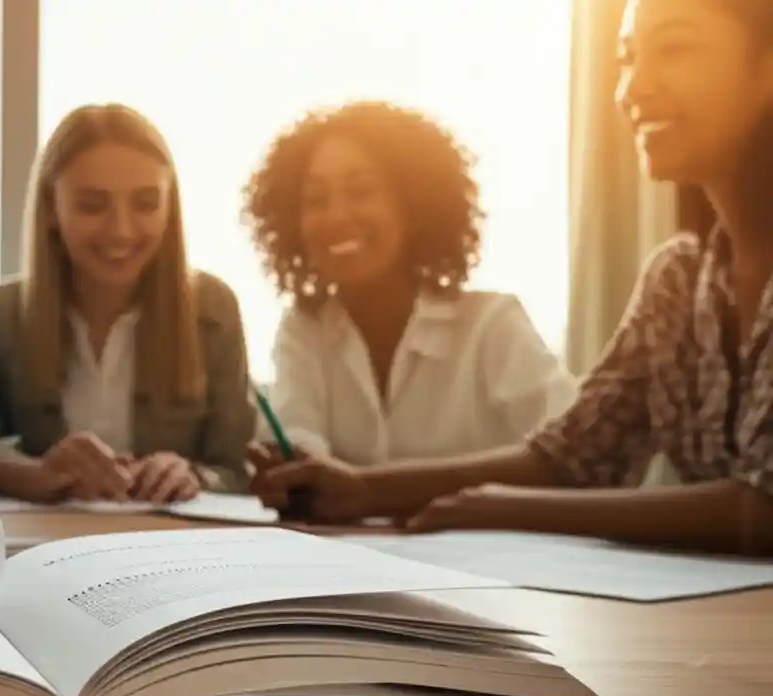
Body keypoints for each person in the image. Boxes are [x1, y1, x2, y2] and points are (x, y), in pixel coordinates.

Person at [250, 0, 773, 556]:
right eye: (626, 59)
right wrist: (361, 491)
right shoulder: (678, 279)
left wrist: (503, 507)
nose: (632, 88)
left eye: (674, 48)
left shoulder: (495, 320)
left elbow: (762, 510)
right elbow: (572, 457)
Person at [243, 102, 575, 465]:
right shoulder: (303, 331)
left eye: (360, 191)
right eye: (315, 200)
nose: (336, 216)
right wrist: (292, 459)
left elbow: (574, 448)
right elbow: (298, 430)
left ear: (414, 206)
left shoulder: (493, 326)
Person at [0, 104, 256, 504]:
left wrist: (194, 476)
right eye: (92, 205)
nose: (121, 231)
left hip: (171, 553)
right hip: (41, 550)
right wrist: (34, 472)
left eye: (146, 204)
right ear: (52, 207)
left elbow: (238, 470)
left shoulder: (213, 309)